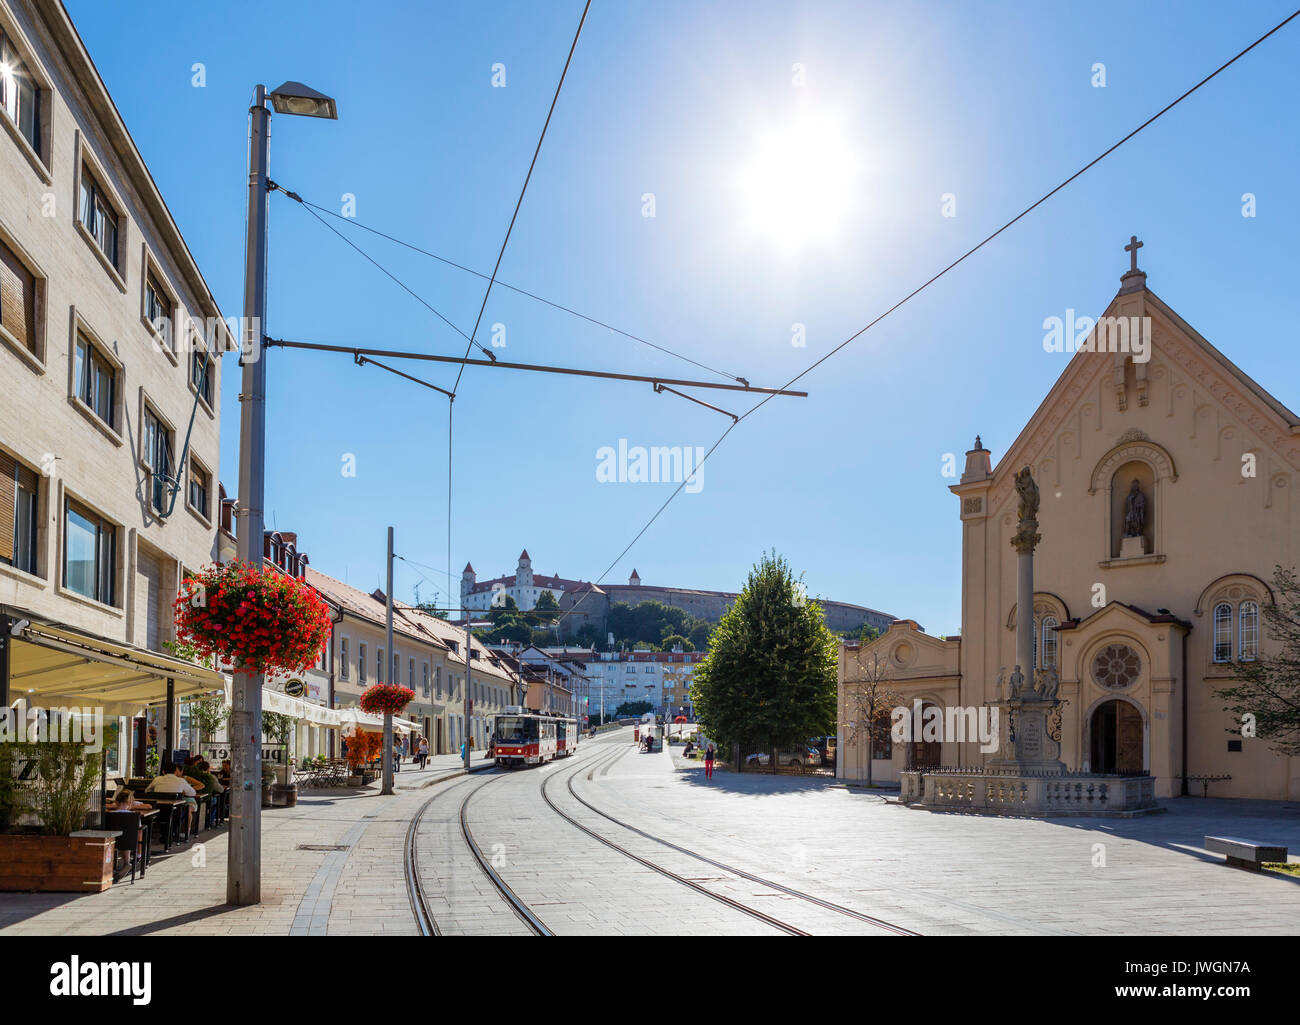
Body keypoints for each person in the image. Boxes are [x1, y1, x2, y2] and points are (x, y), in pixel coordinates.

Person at [146, 761, 199, 830]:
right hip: (175, 813)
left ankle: (167, 833)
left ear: (163, 771)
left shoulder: (157, 780)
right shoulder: (181, 781)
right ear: (175, 771)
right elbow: (193, 793)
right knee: (185, 809)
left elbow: (147, 791)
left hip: (157, 811)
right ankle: (176, 832)